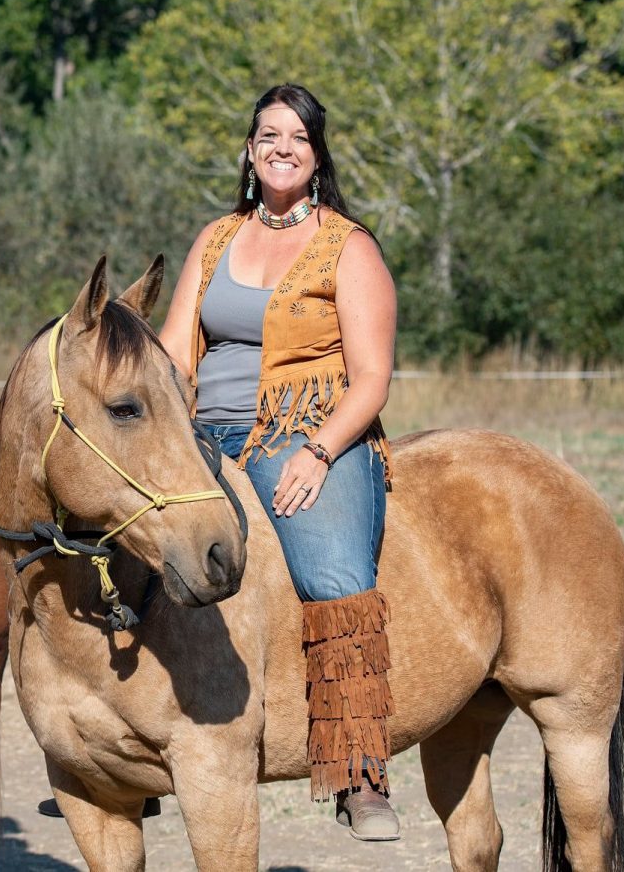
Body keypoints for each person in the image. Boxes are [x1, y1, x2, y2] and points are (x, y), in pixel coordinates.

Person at [158, 83, 399, 841]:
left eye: (297, 136)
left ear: (318, 153)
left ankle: (360, 773)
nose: (282, 147)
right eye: (268, 134)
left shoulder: (347, 246)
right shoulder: (217, 237)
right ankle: (124, 753)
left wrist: (319, 452)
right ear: (250, 148)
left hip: (306, 430)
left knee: (334, 576)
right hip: (201, 433)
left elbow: (372, 378)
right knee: (131, 539)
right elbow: (173, 352)